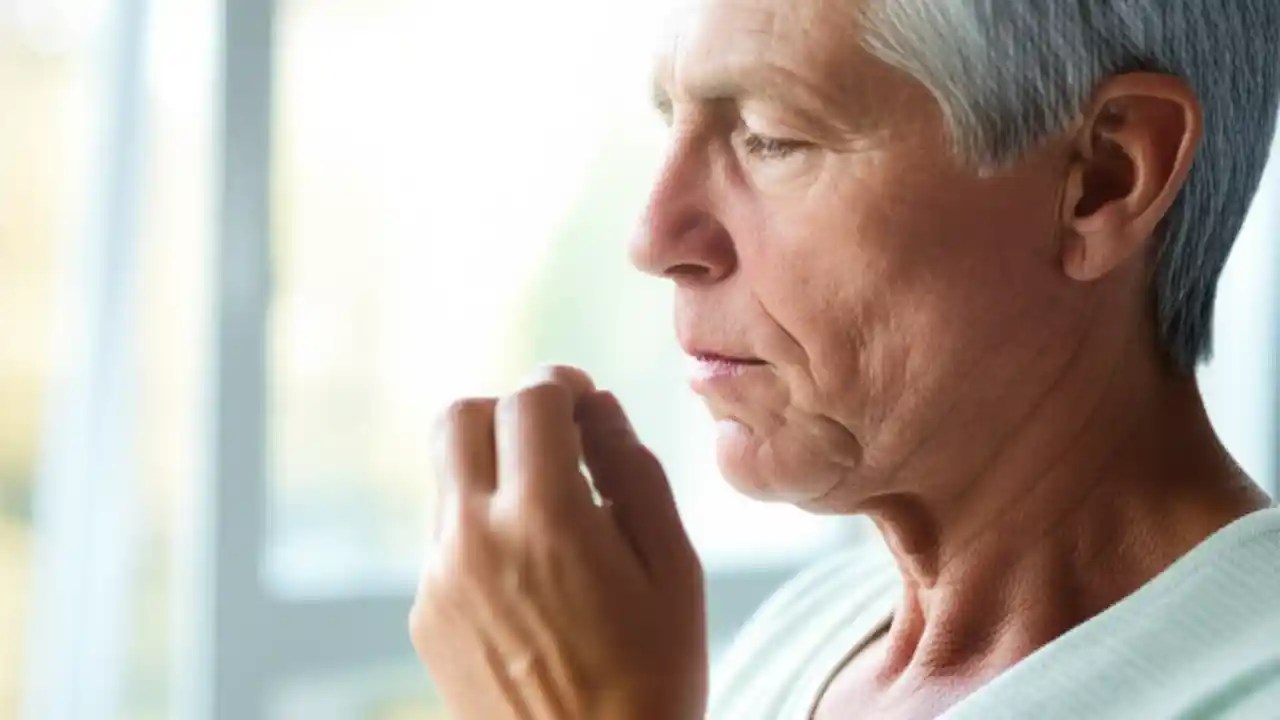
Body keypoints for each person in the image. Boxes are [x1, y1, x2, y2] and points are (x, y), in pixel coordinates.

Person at [408, 0, 1280, 718]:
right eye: (673, 123)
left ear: (1103, 177)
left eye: (771, 136)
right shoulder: (804, 639)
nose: (654, 236)